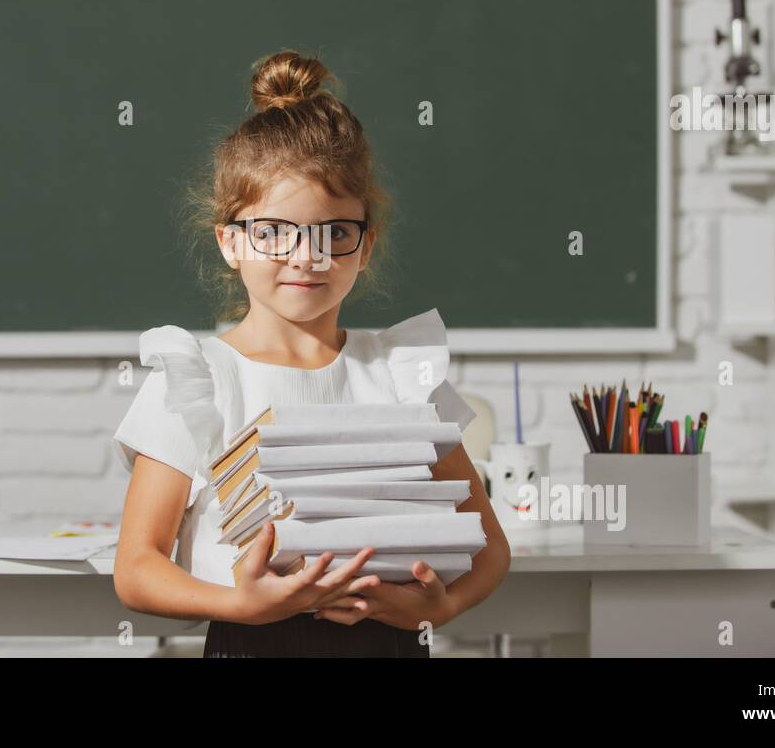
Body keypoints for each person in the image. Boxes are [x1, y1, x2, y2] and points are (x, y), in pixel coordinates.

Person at [111, 49, 510, 657]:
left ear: (365, 246)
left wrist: (440, 607)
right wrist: (240, 605)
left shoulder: (402, 374)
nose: (307, 257)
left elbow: (490, 547)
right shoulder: (197, 380)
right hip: (252, 642)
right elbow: (137, 569)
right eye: (274, 232)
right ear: (230, 243)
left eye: (335, 232)